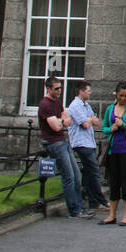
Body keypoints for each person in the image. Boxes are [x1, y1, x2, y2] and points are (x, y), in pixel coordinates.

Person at [38, 76, 85, 218]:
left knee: (77, 174)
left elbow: (67, 121)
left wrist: (62, 121)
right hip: (53, 143)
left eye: (60, 88)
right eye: (56, 88)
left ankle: (80, 207)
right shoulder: (45, 105)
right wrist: (62, 121)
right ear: (48, 89)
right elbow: (56, 126)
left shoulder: (57, 103)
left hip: (62, 141)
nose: (59, 91)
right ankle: (74, 211)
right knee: (68, 176)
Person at [100, 83, 126, 226]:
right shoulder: (110, 109)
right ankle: (111, 215)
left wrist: (123, 125)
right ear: (116, 95)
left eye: (125, 96)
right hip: (112, 150)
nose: (123, 98)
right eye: (120, 96)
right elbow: (104, 127)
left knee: (125, 182)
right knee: (114, 182)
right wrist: (110, 129)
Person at [67, 81, 107, 213]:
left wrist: (89, 119)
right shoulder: (75, 106)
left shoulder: (86, 105)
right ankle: (100, 200)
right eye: (88, 90)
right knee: (94, 171)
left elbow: (95, 121)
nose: (90, 93)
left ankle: (93, 202)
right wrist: (89, 119)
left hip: (89, 142)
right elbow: (85, 124)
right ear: (81, 91)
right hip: (81, 142)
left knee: (90, 173)